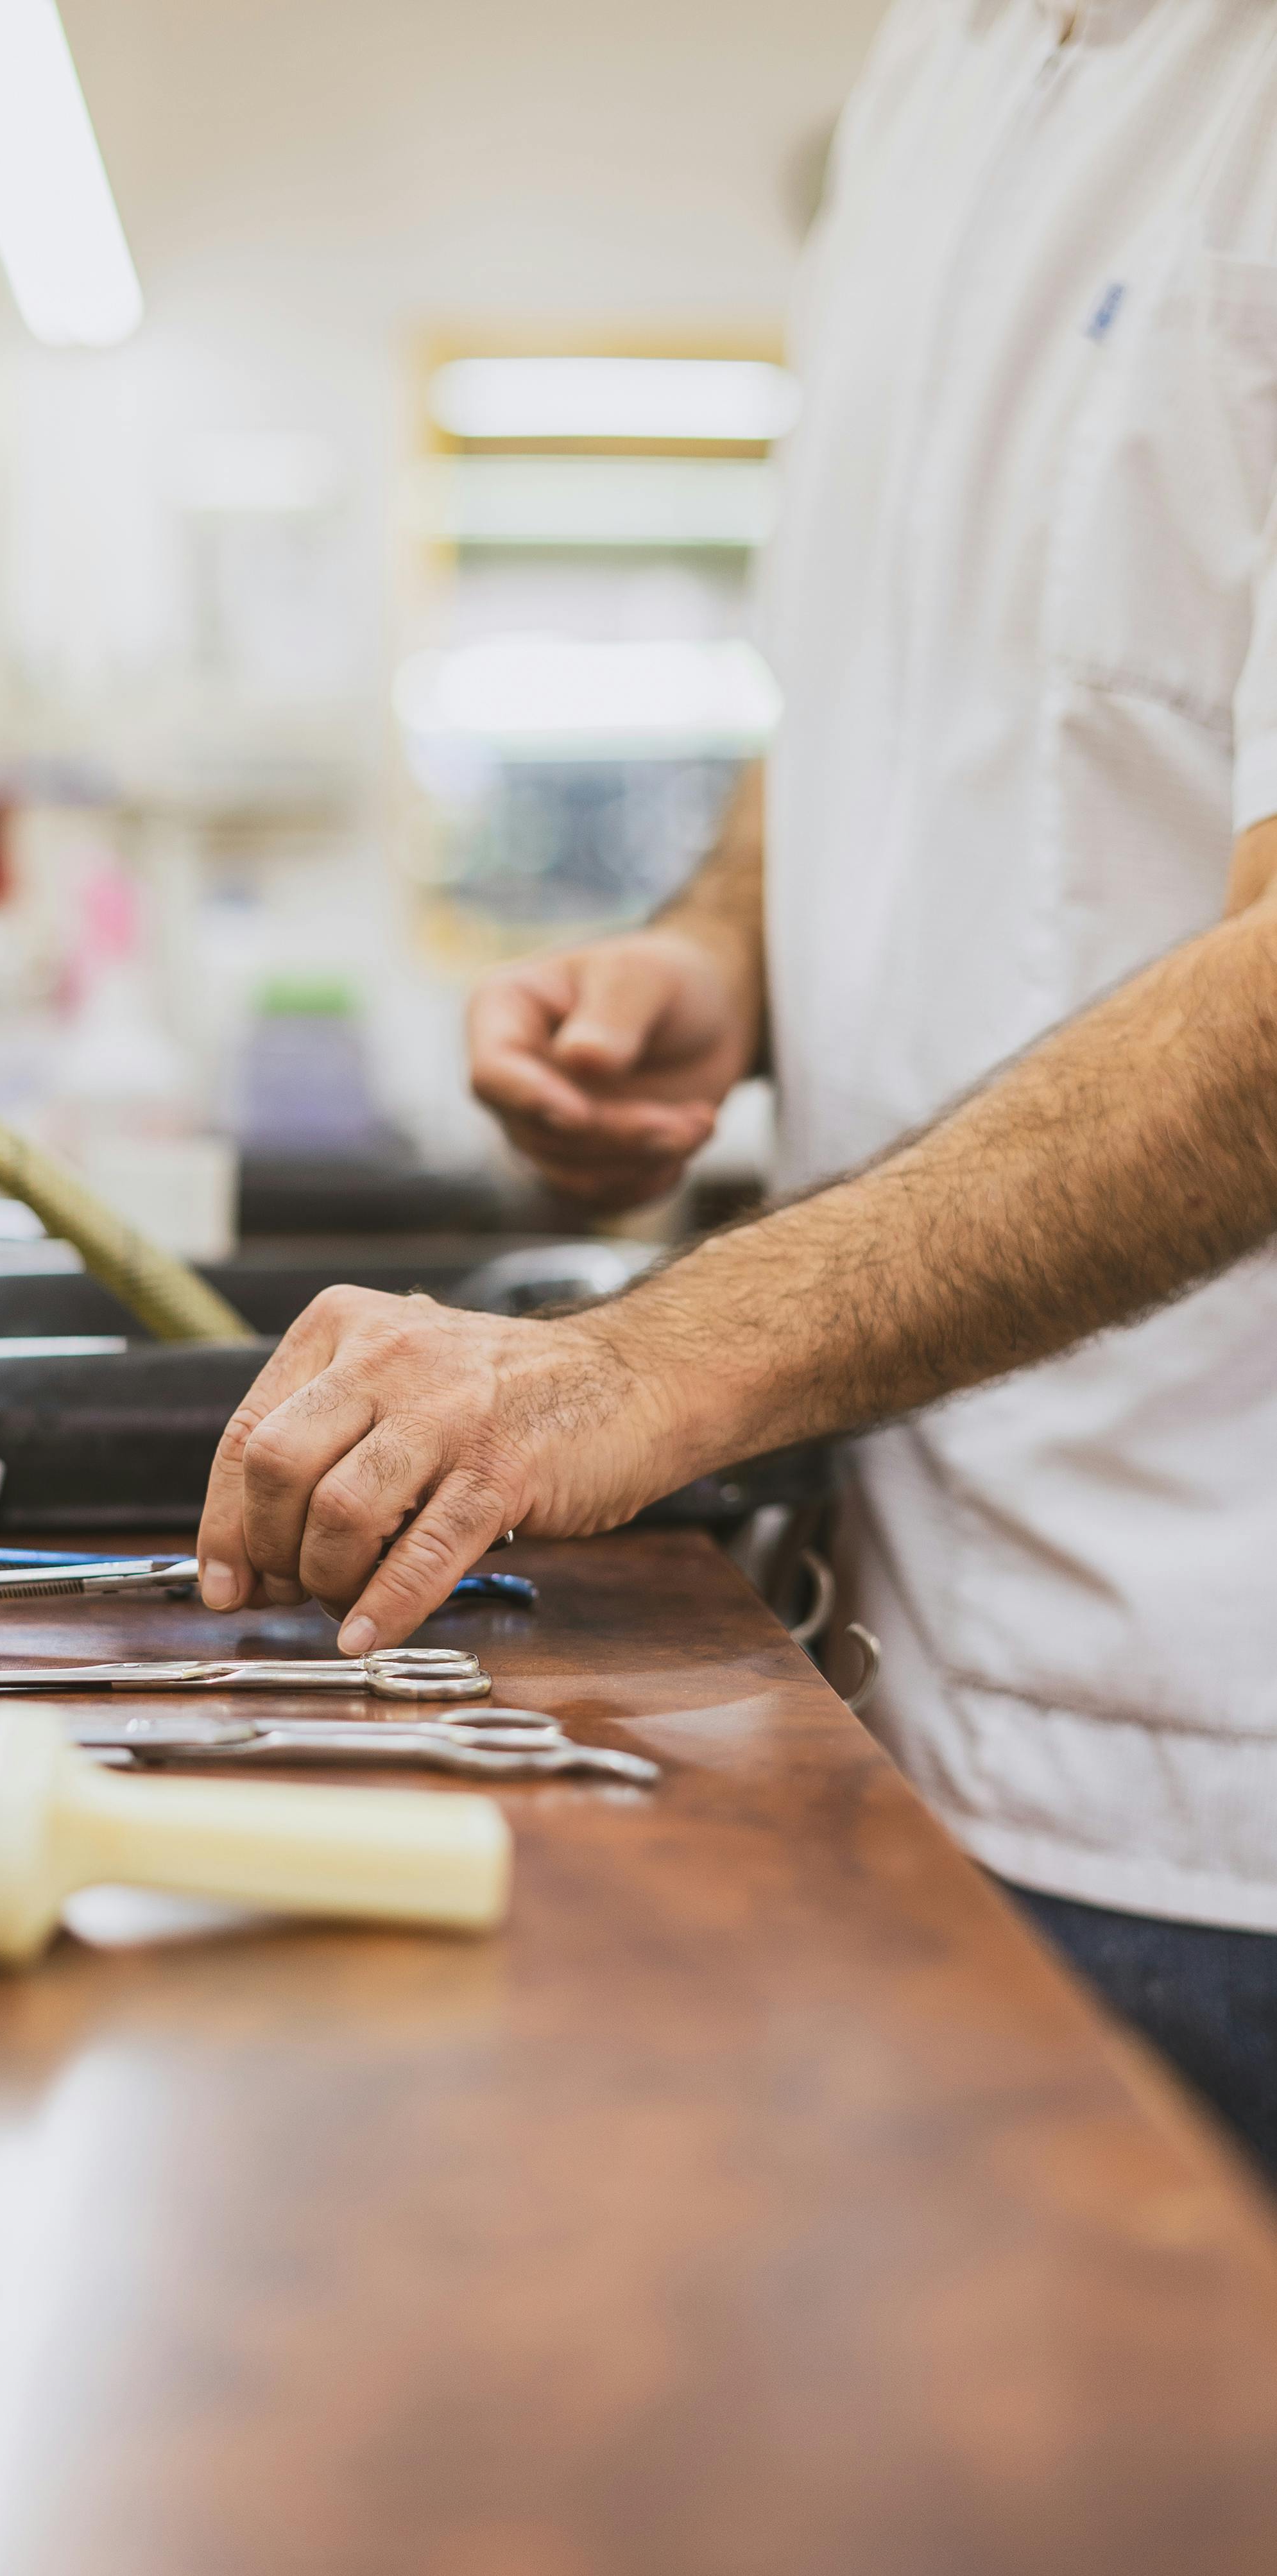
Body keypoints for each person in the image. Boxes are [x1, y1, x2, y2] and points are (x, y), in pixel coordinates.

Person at [198, 0, 1277, 2168]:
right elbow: (911, 680)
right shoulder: (941, 69)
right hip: (894, 1672)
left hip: (1211, 1778)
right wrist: (718, 949)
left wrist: (644, 1364)